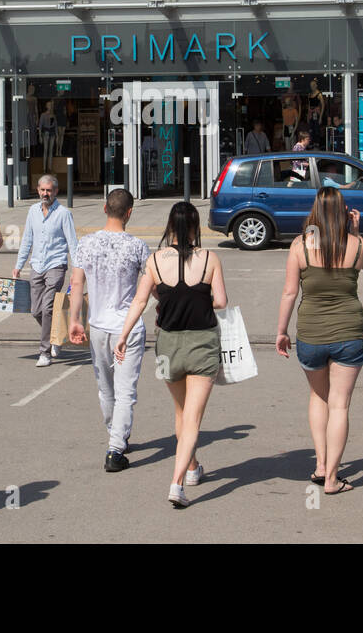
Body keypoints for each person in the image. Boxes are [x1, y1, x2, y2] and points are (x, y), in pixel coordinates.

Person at [116, 202, 228, 508]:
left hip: (167, 345)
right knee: (192, 418)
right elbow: (220, 301)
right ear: (194, 227)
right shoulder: (209, 258)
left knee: (180, 411)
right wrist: (198, 300)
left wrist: (123, 336)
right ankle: (177, 483)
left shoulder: (154, 261)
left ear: (169, 226)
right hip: (202, 344)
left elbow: (140, 301)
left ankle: (192, 467)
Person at [276, 188, 363, 495]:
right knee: (340, 405)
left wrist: (281, 331)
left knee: (318, 397)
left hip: (310, 333)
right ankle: (333, 479)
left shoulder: (301, 246)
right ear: (343, 212)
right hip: (349, 333)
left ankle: (321, 465)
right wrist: (357, 233)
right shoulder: (358, 245)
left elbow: (289, 292)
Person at [67, 188, 152, 473]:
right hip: (127, 327)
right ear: (129, 213)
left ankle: (115, 434)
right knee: (126, 390)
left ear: (105, 209)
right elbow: (151, 286)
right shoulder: (138, 246)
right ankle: (116, 447)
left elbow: (76, 285)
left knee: (106, 389)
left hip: (99, 325)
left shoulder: (86, 243)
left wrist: (74, 319)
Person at [14, 174, 79, 367]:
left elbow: (73, 244)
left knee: (48, 307)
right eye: (42, 190)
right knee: (35, 311)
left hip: (56, 265)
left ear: (56, 192)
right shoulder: (33, 211)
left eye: (49, 190)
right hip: (37, 265)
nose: (45, 193)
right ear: (37, 190)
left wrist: (77, 271)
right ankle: (55, 336)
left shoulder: (64, 213)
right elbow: (27, 239)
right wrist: (19, 265)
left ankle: (45, 352)